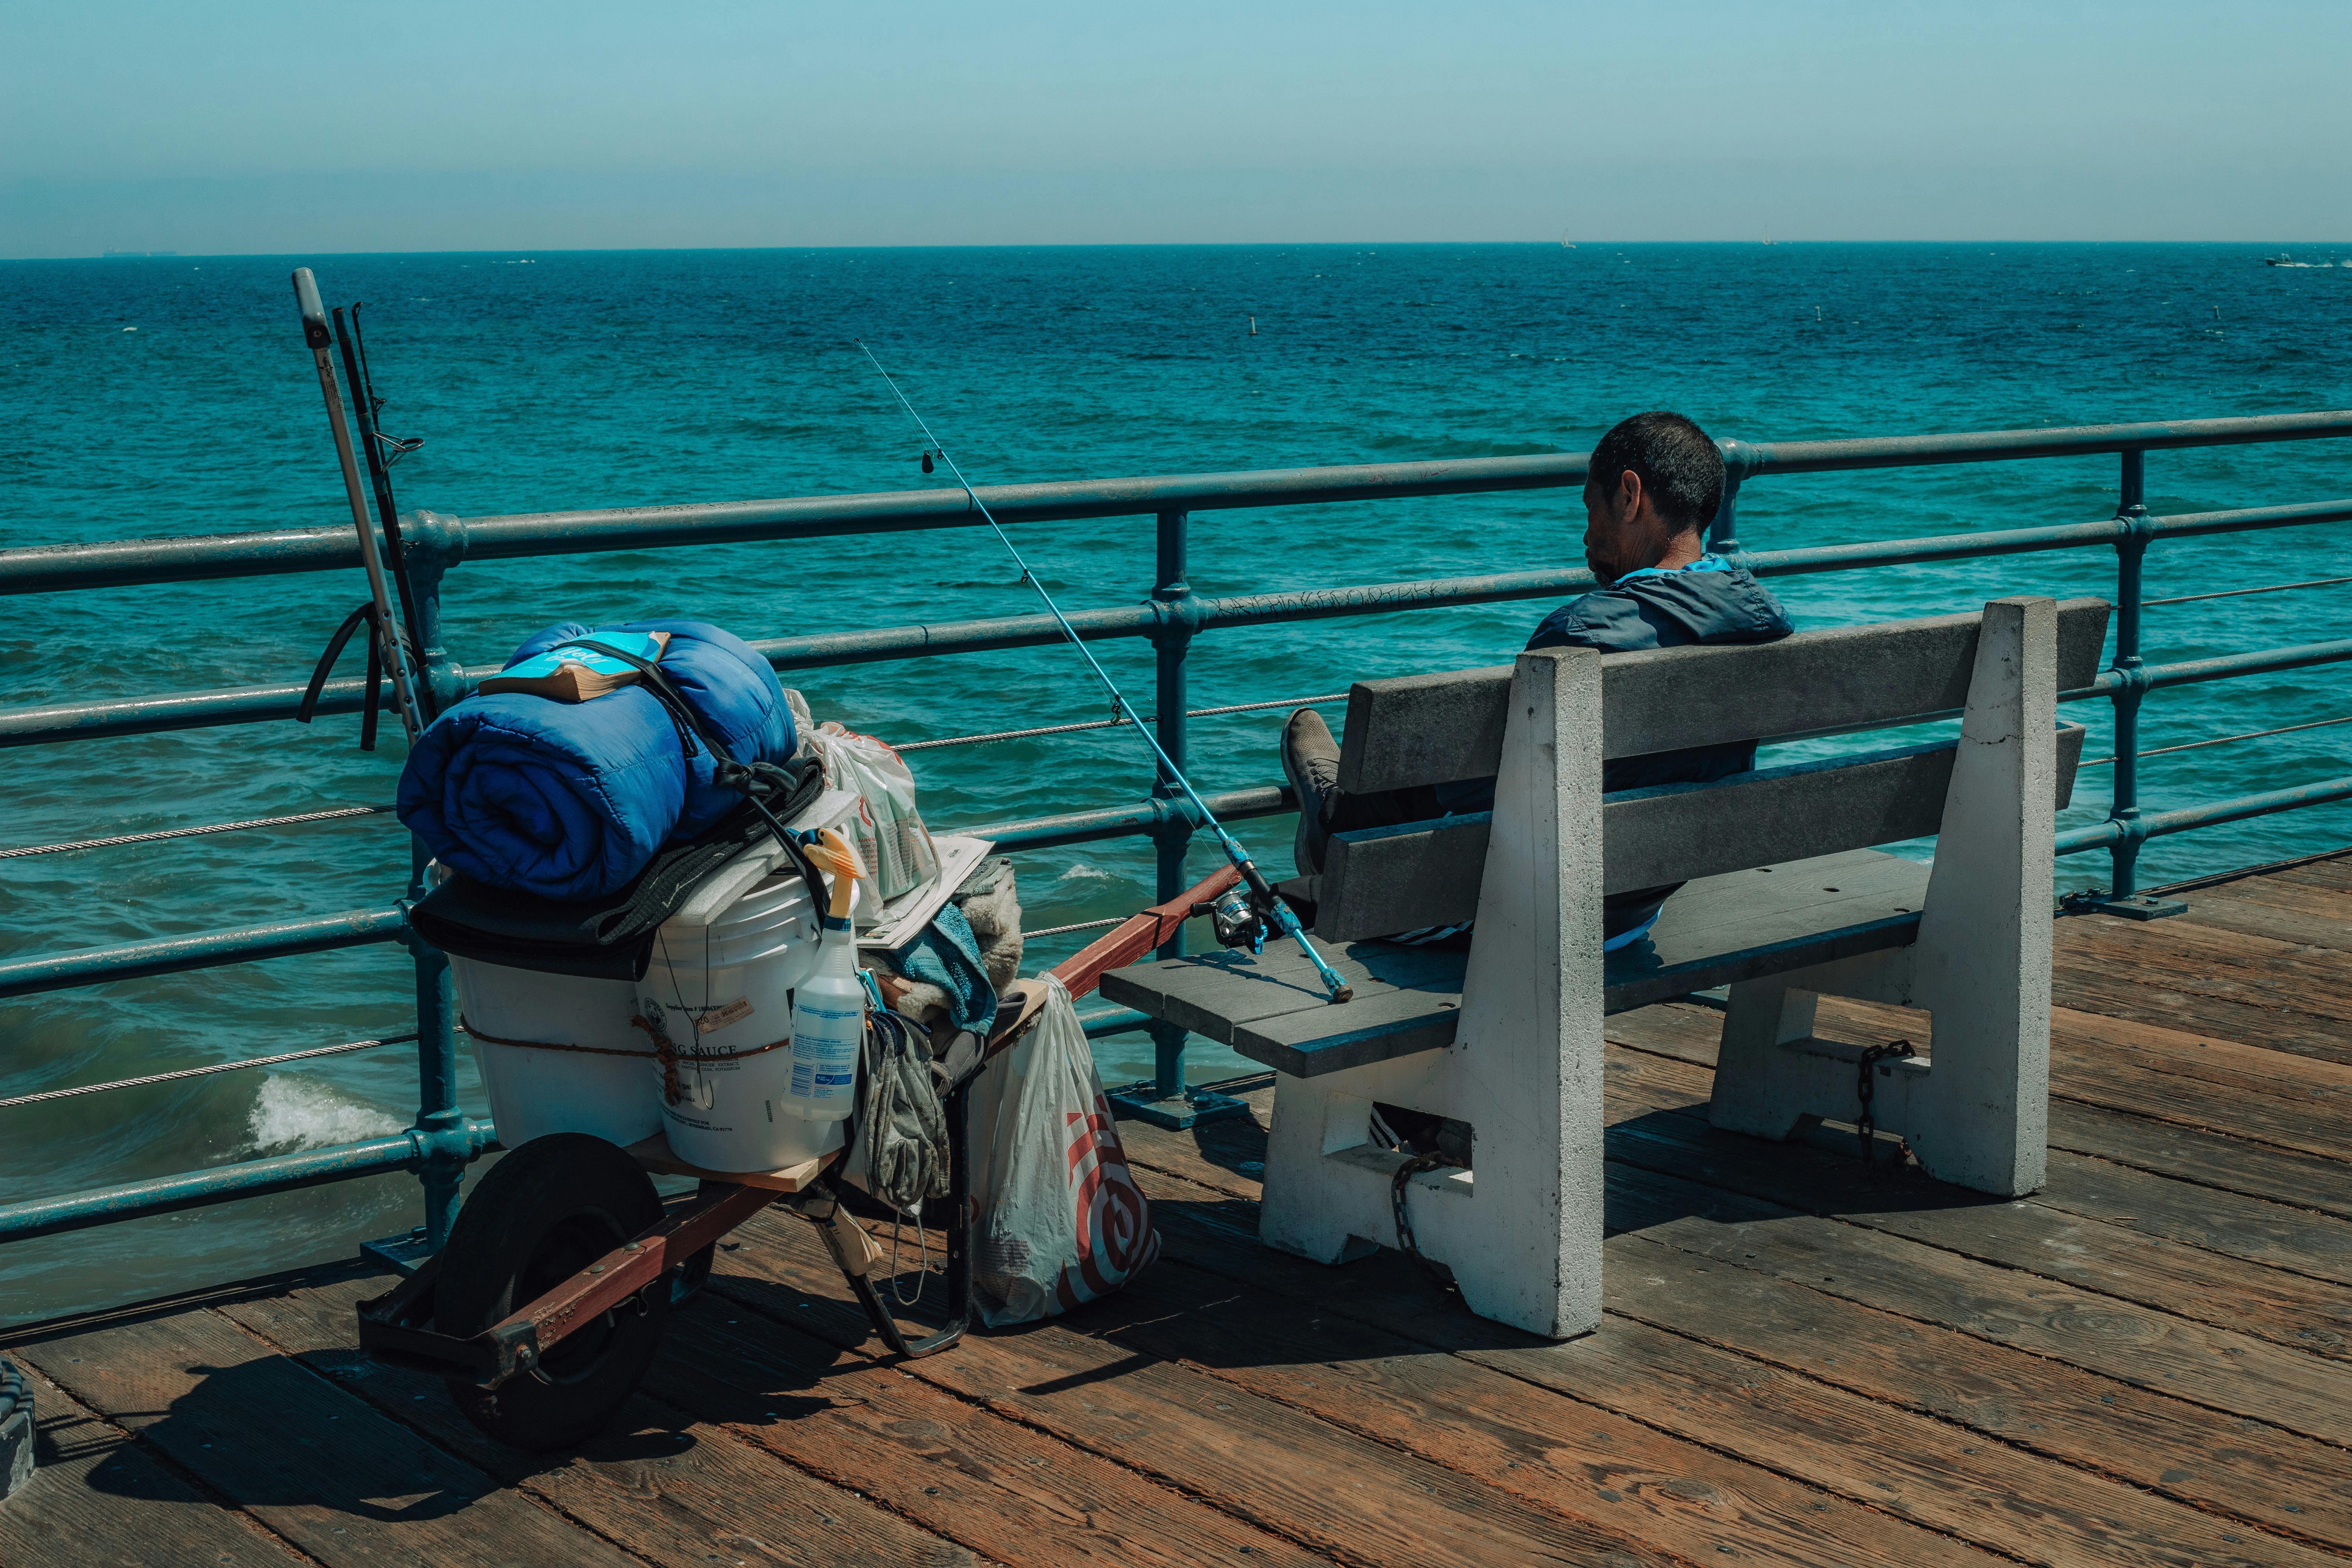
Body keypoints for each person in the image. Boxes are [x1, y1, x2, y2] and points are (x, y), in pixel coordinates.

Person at [1282, 410, 1795, 949]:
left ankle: (1331, 815)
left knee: (1403, 796)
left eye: (1591, 508)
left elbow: (1477, 789)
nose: (1586, 532)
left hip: (1531, 917)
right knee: (1297, 891)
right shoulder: (1760, 621)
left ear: (1629, 495)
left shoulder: (1584, 632)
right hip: (1638, 906)